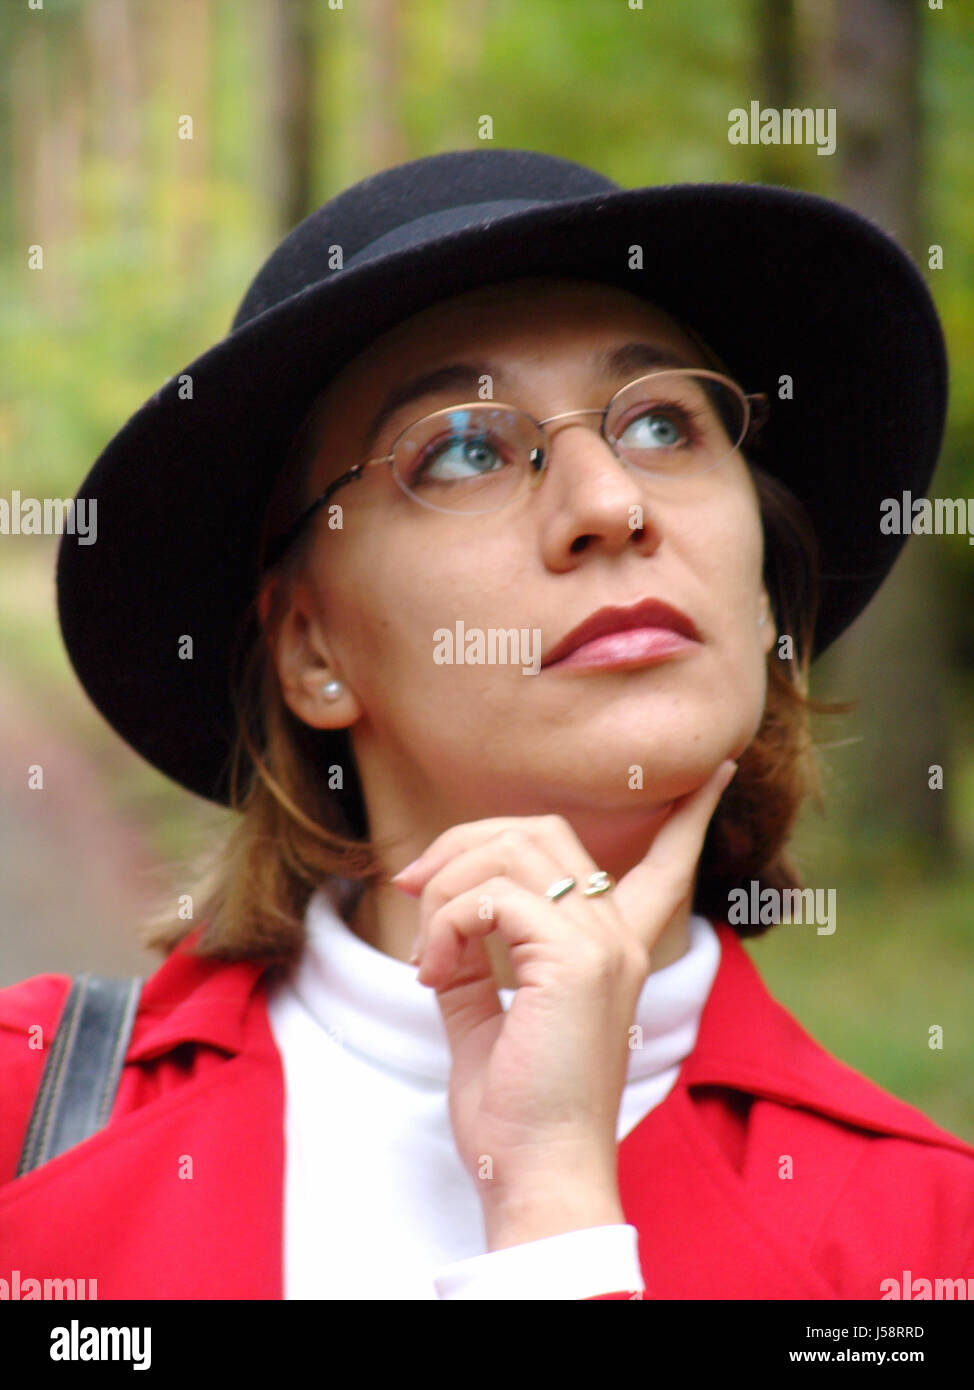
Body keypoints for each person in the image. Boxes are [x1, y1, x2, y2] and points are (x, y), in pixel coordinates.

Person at [1, 148, 971, 1301]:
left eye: (663, 425)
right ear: (311, 649)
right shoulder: (28, 1110)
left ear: (761, 592)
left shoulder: (926, 1240)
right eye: (465, 447)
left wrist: (551, 1206)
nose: (610, 504)